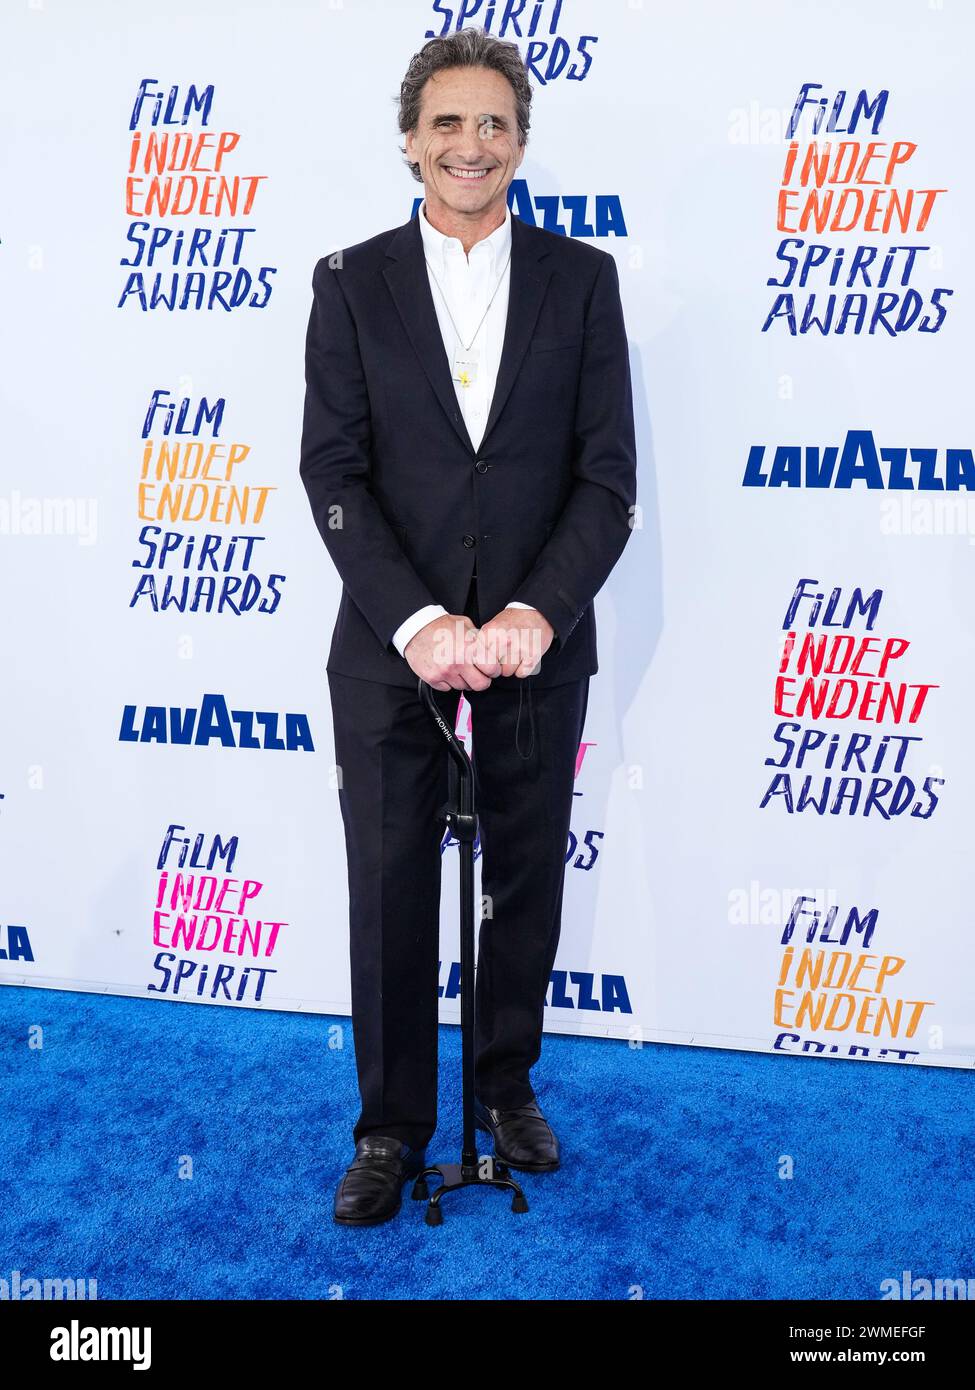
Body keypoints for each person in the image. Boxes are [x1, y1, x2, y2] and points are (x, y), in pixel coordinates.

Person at [300, 25, 637, 1226]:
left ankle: (506, 1087)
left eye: (494, 122)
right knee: (387, 887)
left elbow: (608, 480)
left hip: (539, 651)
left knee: (526, 880)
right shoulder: (347, 282)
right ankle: (390, 1126)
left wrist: (540, 610)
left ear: (523, 143)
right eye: (447, 122)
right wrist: (421, 620)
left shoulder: (583, 280)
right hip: (392, 655)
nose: (470, 143)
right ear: (409, 140)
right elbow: (333, 470)